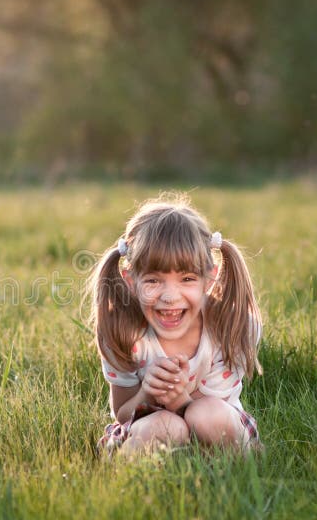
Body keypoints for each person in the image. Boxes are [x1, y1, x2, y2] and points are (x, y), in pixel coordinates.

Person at [90, 194, 261, 456]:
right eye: (153, 281)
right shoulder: (123, 332)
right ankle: (129, 475)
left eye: (187, 279)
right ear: (131, 281)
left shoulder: (229, 327)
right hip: (148, 426)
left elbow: (213, 416)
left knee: (206, 416)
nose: (170, 296)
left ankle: (241, 466)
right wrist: (147, 393)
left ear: (210, 279)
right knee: (166, 426)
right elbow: (122, 412)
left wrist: (180, 399)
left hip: (216, 424)